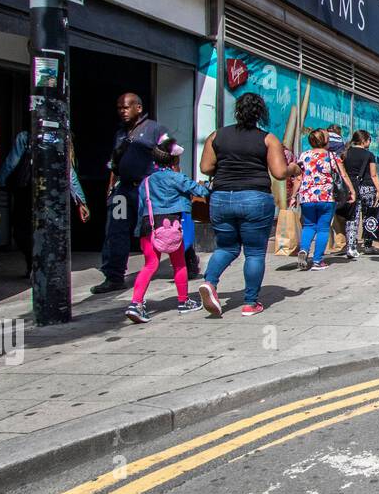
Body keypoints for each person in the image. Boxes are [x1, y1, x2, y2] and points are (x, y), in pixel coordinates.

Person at [199, 92, 299, 317]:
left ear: (237, 111)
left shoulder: (217, 136)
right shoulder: (267, 139)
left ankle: (210, 283)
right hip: (254, 198)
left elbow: (205, 168)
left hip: (222, 197)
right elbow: (280, 173)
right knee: (254, 253)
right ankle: (250, 303)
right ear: (259, 113)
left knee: (226, 247)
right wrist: (294, 168)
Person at [125, 136, 210, 324]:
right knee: (179, 263)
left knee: (150, 265)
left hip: (149, 226)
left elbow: (141, 206)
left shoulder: (146, 182)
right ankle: (183, 301)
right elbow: (200, 191)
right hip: (171, 225)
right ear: (174, 161)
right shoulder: (176, 178)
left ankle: (135, 303)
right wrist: (208, 186)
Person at [92, 93, 169, 295]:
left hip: (149, 190)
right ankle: (114, 276)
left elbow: (173, 156)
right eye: (119, 108)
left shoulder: (155, 129)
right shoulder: (120, 133)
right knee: (115, 230)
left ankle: (188, 261)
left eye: (126, 107)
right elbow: (113, 164)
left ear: (139, 107)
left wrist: (172, 186)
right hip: (123, 190)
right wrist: (111, 188)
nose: (122, 111)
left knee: (162, 228)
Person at [0, 130, 89, 276]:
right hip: (50, 193)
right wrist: (80, 201)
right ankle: (38, 264)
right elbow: (69, 172)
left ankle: (35, 264)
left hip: (27, 191)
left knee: (21, 231)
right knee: (42, 230)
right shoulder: (57, 136)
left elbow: (11, 163)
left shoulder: (26, 136)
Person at [292, 128, 355, 271]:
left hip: (307, 197)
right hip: (326, 197)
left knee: (308, 225)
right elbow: (343, 175)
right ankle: (317, 261)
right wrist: (351, 191)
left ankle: (304, 250)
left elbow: (298, 178)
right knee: (323, 228)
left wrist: (293, 196)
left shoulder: (304, 156)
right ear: (325, 141)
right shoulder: (332, 156)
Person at [341, 129, 379, 257]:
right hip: (367, 188)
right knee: (369, 216)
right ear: (364, 141)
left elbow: (344, 173)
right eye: (369, 139)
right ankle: (368, 245)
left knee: (352, 217)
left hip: (352, 188)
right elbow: (374, 175)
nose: (370, 142)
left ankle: (351, 246)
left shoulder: (346, 153)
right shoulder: (369, 155)